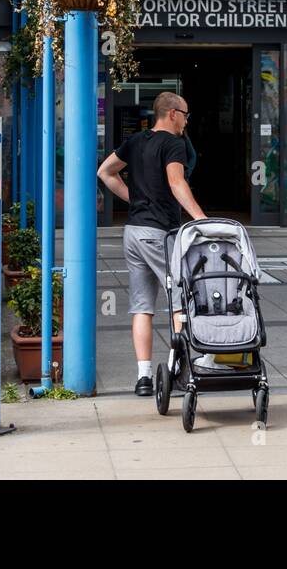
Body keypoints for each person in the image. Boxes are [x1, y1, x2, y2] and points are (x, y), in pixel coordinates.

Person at [97, 91, 208, 397]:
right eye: (185, 114)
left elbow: (105, 172)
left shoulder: (135, 141)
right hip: (160, 234)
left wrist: (135, 200)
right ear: (172, 113)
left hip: (133, 232)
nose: (187, 120)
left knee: (142, 307)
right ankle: (177, 369)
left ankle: (144, 377)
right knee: (179, 302)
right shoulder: (173, 144)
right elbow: (176, 183)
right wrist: (200, 218)